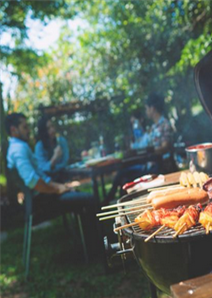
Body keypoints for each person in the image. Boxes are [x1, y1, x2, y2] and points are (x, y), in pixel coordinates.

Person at [5, 113, 101, 258]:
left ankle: (90, 245)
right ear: (14, 130)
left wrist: (62, 187)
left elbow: (40, 178)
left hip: (42, 198)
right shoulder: (19, 150)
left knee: (78, 194)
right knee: (89, 199)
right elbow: (33, 182)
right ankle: (97, 250)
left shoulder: (16, 147)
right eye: (24, 127)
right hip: (42, 203)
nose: (28, 130)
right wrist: (57, 189)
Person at [106, 93, 175, 201]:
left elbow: (165, 147)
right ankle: (109, 203)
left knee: (125, 179)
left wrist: (150, 151)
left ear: (152, 108)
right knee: (122, 174)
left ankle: (113, 204)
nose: (146, 111)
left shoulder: (165, 124)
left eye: (147, 108)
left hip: (159, 167)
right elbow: (144, 145)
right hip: (148, 165)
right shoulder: (152, 127)